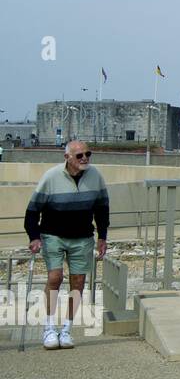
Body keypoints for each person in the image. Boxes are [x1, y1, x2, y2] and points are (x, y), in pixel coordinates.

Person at [24, 140, 109, 350]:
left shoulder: (95, 176)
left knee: (78, 282)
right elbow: (33, 211)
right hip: (53, 235)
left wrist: (102, 236)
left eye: (87, 154)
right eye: (79, 155)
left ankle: (67, 329)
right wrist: (34, 236)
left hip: (82, 237)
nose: (85, 158)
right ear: (67, 157)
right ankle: (49, 328)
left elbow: (102, 208)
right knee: (55, 277)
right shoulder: (51, 177)